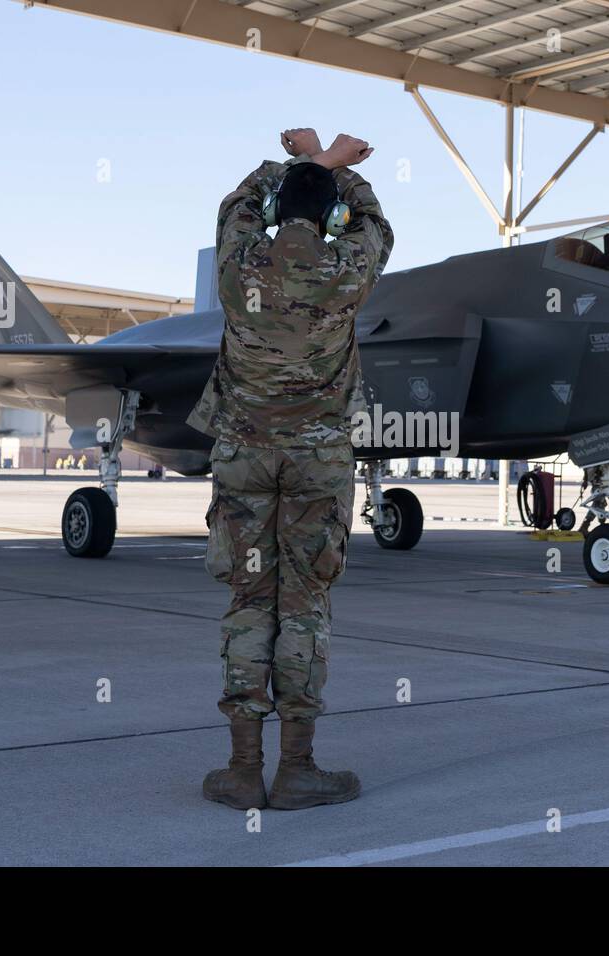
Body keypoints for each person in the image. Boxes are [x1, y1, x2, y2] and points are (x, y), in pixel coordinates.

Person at [189, 128, 393, 811]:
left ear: (275, 212)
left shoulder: (237, 263)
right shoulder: (347, 271)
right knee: (305, 604)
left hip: (243, 458)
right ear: (329, 211)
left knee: (250, 602)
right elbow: (375, 223)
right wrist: (338, 169)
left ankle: (243, 770)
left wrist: (303, 161)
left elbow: (235, 201)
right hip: (316, 462)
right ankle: (298, 769)